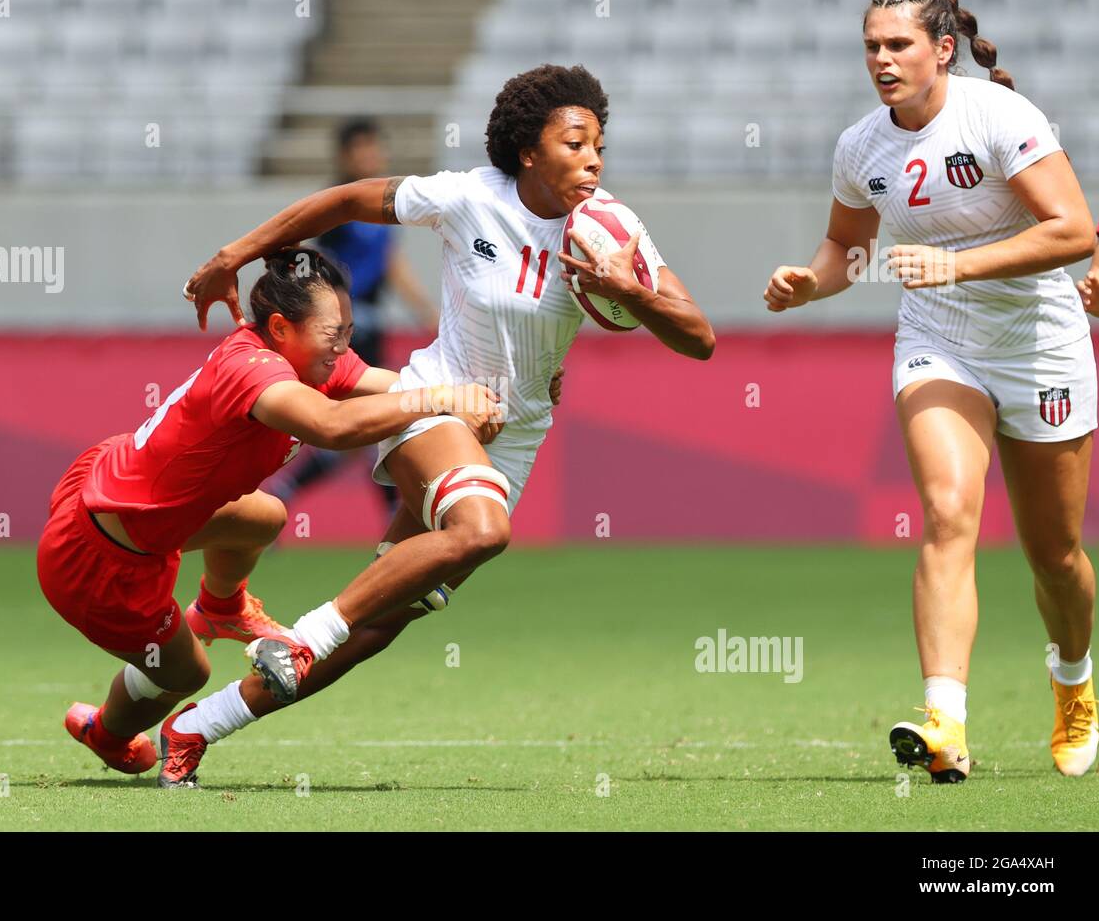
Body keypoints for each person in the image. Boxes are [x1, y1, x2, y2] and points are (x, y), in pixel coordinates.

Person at [165, 64, 715, 786]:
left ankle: (196, 727)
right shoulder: (464, 197)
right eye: (576, 143)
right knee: (482, 531)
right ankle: (301, 639)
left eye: (600, 146)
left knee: (380, 623)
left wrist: (626, 289)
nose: (593, 160)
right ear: (528, 151)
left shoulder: (611, 230)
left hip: (516, 434)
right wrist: (234, 255)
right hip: (438, 401)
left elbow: (698, 337)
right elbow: (345, 200)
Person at [763, 0, 1099, 781]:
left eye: (898, 45)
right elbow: (847, 250)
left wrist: (956, 262)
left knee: (1054, 555)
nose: (881, 61)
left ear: (941, 49)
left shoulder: (998, 117)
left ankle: (1075, 683)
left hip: (1041, 345)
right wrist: (811, 283)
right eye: (872, 47)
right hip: (939, 342)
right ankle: (946, 720)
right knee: (948, 512)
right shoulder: (860, 147)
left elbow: (1072, 230)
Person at [35, 248, 500, 780]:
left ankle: (220, 606)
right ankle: (108, 733)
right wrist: (442, 399)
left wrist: (494, 393)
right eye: (334, 333)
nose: (345, 346)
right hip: (103, 561)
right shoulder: (252, 369)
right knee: (187, 672)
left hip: (147, 510)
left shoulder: (311, 358)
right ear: (281, 327)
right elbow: (333, 427)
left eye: (350, 330)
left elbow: (395, 388)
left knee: (266, 516)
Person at [268, 118, 441, 514]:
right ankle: (398, 510)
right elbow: (313, 259)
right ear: (345, 156)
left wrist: (425, 311)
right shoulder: (340, 207)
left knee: (369, 427)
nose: (370, 155)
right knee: (378, 417)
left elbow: (392, 262)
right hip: (349, 331)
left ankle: (284, 492)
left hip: (373, 327)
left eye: (374, 147)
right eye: (361, 149)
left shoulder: (382, 205)